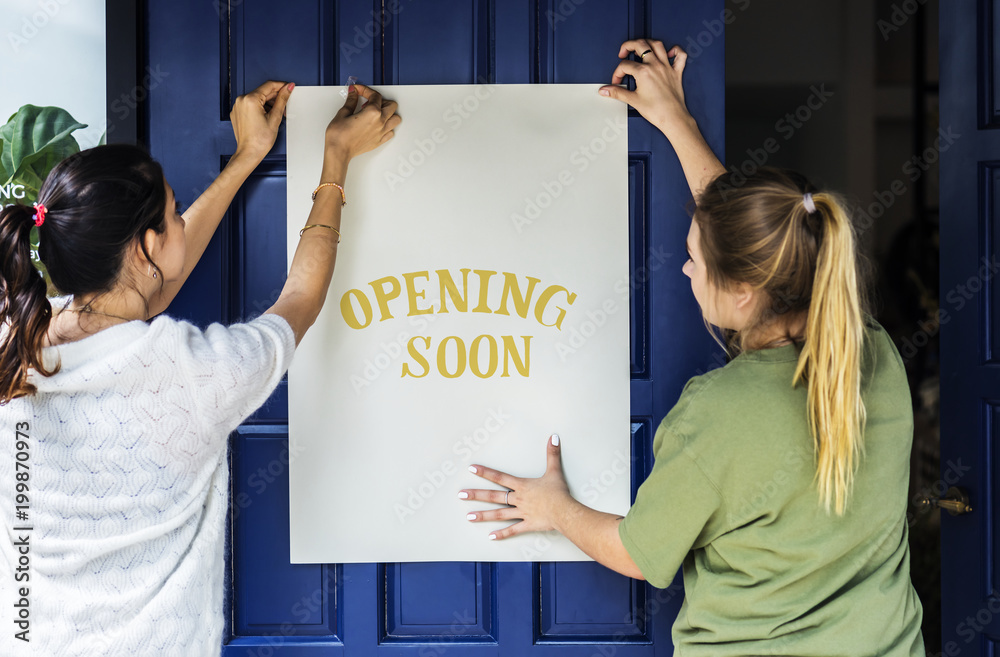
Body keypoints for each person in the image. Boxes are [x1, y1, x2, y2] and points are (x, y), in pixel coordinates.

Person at [461, 39, 925, 655]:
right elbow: (759, 238)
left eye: (692, 261)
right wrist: (677, 122)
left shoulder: (720, 412)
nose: (684, 271)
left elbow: (637, 551)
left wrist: (555, 508)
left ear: (742, 294)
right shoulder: (875, 358)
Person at [0, 81, 399, 655]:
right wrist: (335, 160)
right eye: (173, 211)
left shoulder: (16, 339)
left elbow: (146, 292)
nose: (183, 221)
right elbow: (301, 300)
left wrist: (245, 158)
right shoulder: (193, 373)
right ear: (144, 247)